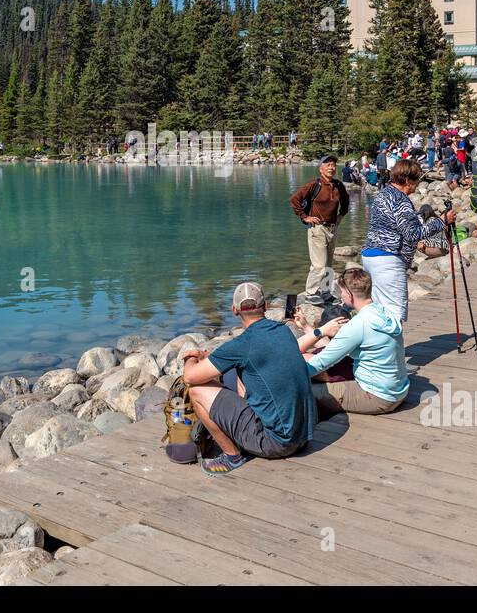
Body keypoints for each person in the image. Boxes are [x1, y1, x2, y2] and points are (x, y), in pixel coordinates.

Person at [181, 282, 315, 475]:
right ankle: (246, 432)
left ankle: (232, 456)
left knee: (196, 391)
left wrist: (190, 356)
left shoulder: (242, 344)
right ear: (265, 306)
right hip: (303, 435)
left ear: (234, 310)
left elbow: (190, 377)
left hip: (278, 444)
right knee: (236, 371)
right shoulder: (283, 330)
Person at [297, 267, 409, 416]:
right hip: (399, 390)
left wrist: (289, 377)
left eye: (342, 292)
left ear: (350, 294)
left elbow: (321, 362)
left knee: (301, 391)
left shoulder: (359, 324)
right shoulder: (385, 313)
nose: (341, 296)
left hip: (377, 397)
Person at [360, 159, 453, 323]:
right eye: (417, 180)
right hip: (389, 259)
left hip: (371, 256)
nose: (417, 185)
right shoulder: (401, 200)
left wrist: (417, 217)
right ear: (408, 180)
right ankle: (393, 348)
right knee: (394, 312)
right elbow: (413, 235)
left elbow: (394, 223)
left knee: (379, 310)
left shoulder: (384, 193)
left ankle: (380, 346)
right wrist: (442, 221)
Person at [289, 155, 350, 305]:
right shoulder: (314, 185)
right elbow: (294, 200)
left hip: (332, 229)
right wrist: (305, 217)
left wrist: (341, 215)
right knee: (319, 265)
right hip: (317, 228)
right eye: (328, 165)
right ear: (321, 168)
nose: (331, 167)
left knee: (328, 264)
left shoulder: (338, 185)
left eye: (333, 165)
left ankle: (326, 291)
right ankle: (311, 293)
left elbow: (346, 202)